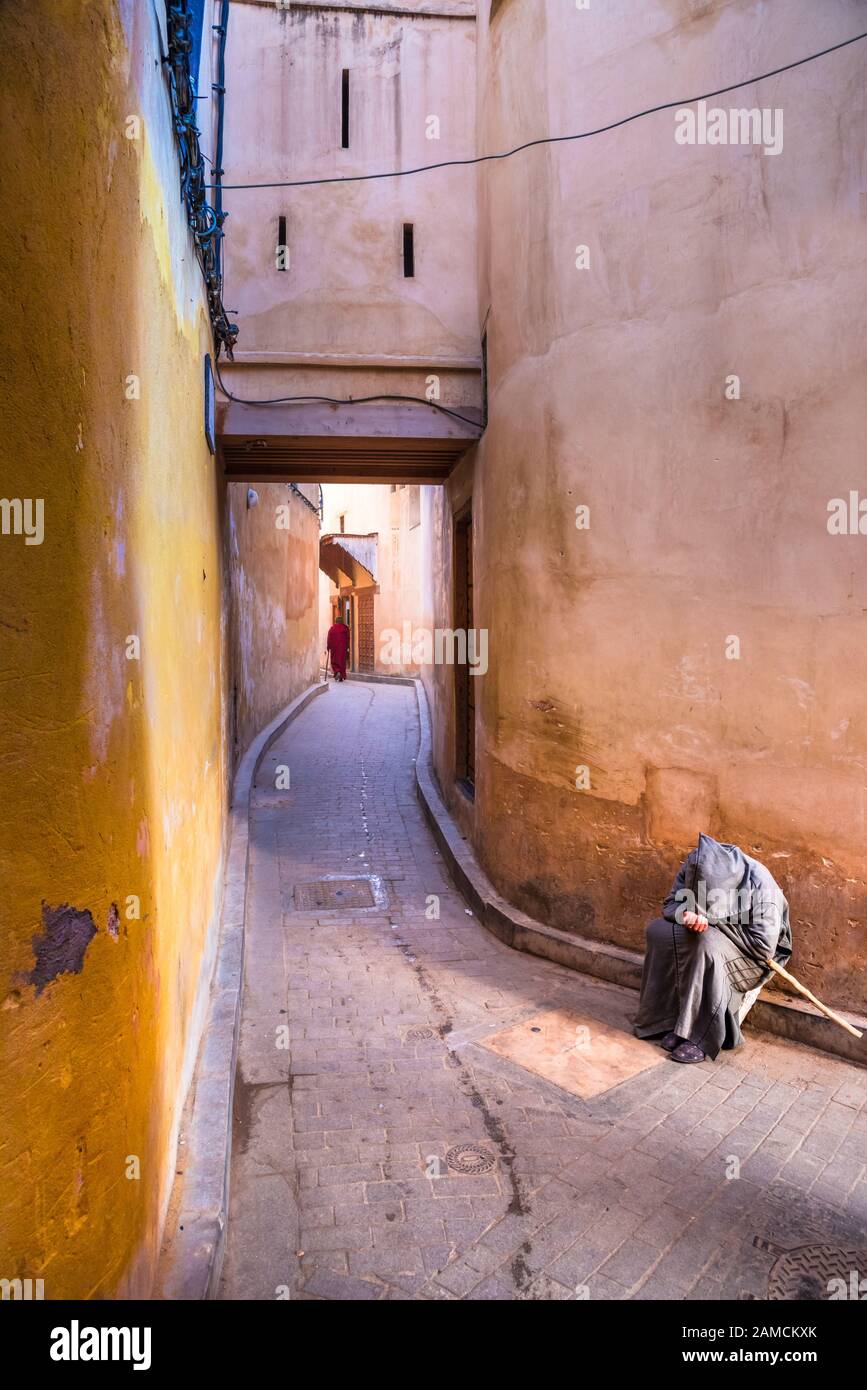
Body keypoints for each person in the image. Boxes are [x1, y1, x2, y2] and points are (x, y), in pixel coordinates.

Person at [633, 833, 792, 1064]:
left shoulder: (759, 885)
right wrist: (684, 915)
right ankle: (665, 1021)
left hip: (750, 953)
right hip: (710, 935)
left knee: (708, 944)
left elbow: (763, 948)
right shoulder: (694, 864)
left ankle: (700, 1037)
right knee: (659, 932)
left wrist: (714, 921)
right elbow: (670, 904)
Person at [326, 612, 350, 682]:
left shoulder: (332, 628)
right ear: (342, 621)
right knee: (342, 661)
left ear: (336, 621)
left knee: (335, 660)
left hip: (334, 648)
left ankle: (337, 671)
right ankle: (341, 675)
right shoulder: (345, 628)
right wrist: (348, 646)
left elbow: (329, 638)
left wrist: (328, 646)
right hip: (343, 648)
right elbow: (348, 638)